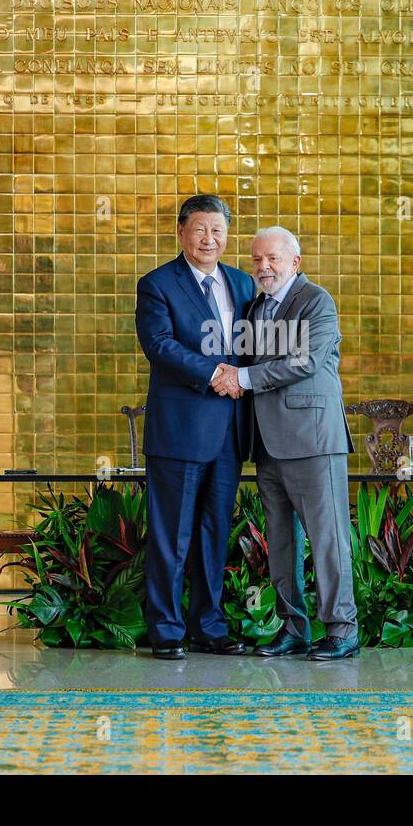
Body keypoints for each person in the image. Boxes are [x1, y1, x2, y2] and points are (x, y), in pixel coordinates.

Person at [212, 225, 359, 660]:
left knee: (327, 538)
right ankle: (294, 628)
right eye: (257, 259)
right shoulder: (257, 307)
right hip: (267, 443)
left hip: (313, 440)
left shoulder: (316, 301)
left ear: (295, 262)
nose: (264, 267)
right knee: (280, 542)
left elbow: (304, 361)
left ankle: (343, 630)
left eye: (272, 258)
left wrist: (241, 378)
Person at [135, 195, 255, 660]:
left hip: (230, 431)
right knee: (172, 533)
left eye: (218, 230)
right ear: (181, 231)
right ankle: (166, 630)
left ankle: (209, 627)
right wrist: (215, 373)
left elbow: (253, 346)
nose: (210, 239)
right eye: (201, 229)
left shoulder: (242, 282)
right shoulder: (158, 284)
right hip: (180, 429)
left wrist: (246, 377)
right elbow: (159, 344)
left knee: (214, 530)